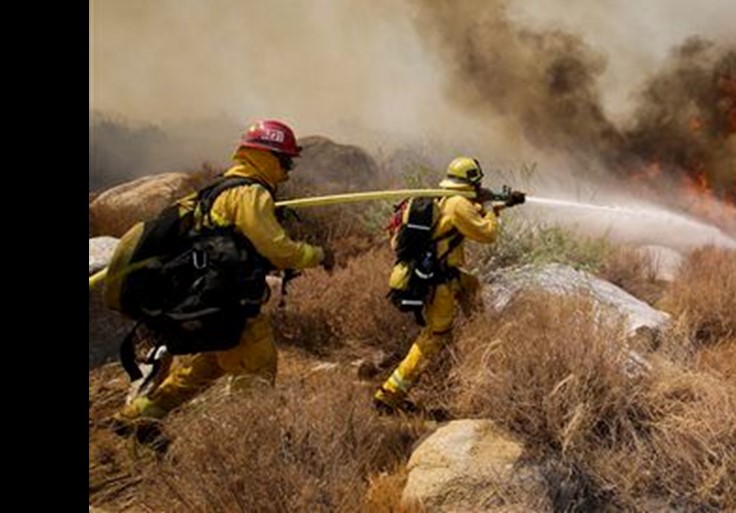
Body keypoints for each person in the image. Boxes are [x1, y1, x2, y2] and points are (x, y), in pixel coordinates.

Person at [109, 119, 333, 433]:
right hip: (231, 304)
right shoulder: (250, 194)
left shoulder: (217, 189)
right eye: (284, 161)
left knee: (209, 366)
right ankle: (248, 440)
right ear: (266, 157)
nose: (287, 171)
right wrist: (318, 255)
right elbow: (277, 249)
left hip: (212, 302)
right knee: (258, 364)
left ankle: (140, 415)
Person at [372, 156, 509, 414]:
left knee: (472, 286)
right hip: (439, 281)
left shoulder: (443, 198)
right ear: (472, 182)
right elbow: (486, 233)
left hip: (447, 275)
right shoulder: (459, 204)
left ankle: (480, 341)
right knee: (435, 337)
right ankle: (389, 395)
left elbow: (467, 216)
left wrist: (498, 205)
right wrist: (490, 208)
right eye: (478, 184)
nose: (480, 189)